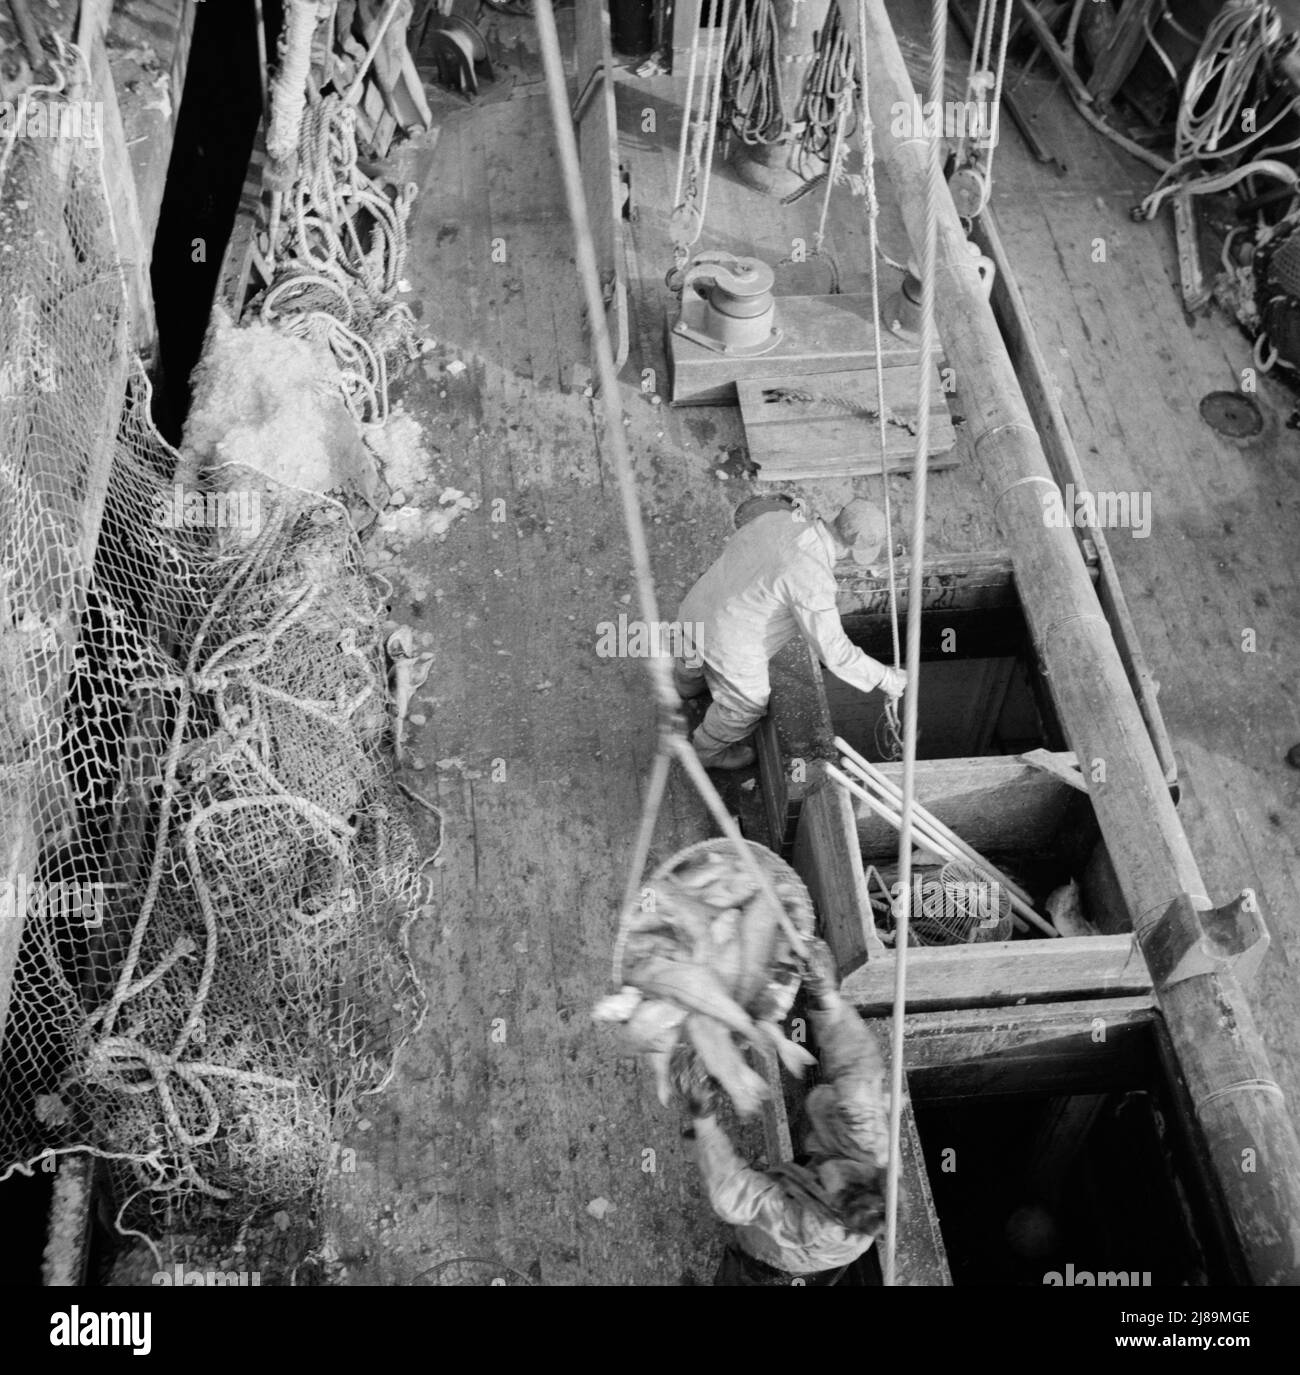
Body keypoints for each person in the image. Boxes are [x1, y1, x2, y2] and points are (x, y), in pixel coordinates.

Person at [675, 937, 891, 1286]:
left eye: (826, 1183)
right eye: (843, 1171)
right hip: (821, 1204)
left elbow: (736, 1195)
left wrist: (704, 1118)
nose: (830, 1170)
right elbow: (857, 1067)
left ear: (832, 1207)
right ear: (868, 1175)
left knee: (750, 1266)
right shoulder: (872, 1144)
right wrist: (828, 999)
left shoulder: (811, 1226)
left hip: (780, 1262)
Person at [674, 499, 906, 769]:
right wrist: (886, 678)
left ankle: (686, 686)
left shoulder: (778, 519)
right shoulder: (814, 578)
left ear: (840, 513)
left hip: (695, 609)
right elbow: (835, 653)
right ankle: (706, 753)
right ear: (853, 545)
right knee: (746, 706)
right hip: (727, 644)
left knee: (689, 651)